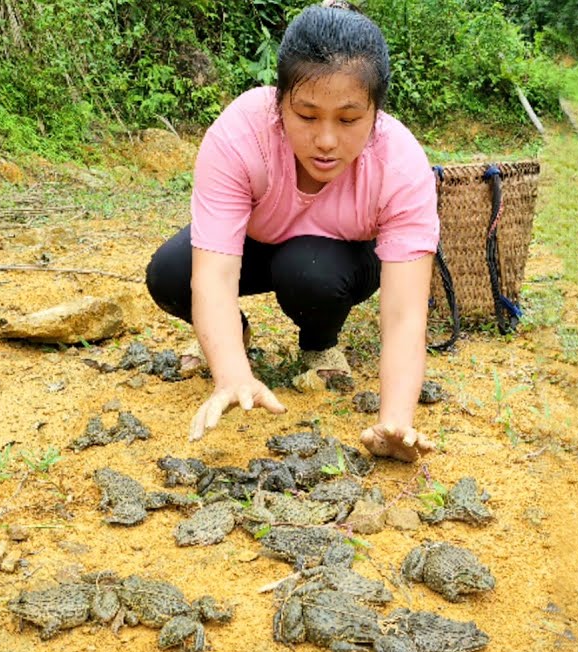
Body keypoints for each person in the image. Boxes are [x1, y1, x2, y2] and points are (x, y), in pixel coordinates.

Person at [145, 1, 437, 461]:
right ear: (278, 101)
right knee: (169, 273)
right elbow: (216, 272)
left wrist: (395, 419)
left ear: (376, 113)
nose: (325, 140)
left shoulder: (400, 164)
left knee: (309, 270)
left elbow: (404, 314)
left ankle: (319, 345)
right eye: (305, 115)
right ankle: (229, 339)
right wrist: (232, 374)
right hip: (257, 245)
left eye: (347, 119)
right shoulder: (242, 133)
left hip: (339, 262)